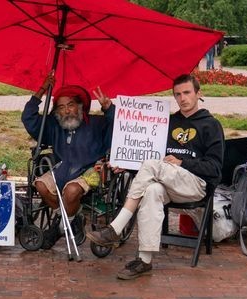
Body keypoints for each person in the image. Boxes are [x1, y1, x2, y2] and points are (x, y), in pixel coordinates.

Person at [89, 74, 223, 279]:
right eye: (177, 94)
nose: (182, 98)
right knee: (152, 190)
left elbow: (215, 168)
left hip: (196, 184)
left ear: (198, 93)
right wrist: (126, 164)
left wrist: (182, 162)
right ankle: (144, 260)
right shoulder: (169, 122)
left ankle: (116, 227)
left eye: (187, 92)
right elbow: (145, 146)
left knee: (152, 164)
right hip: (168, 182)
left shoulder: (211, 125)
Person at [21, 75, 115, 248]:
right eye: (61, 107)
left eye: (70, 105)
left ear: (80, 106)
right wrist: (42, 90)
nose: (66, 111)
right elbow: (29, 118)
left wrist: (108, 109)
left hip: (91, 171)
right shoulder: (54, 125)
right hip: (62, 169)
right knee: (40, 185)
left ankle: (58, 227)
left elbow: (116, 127)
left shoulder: (96, 123)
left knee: (71, 191)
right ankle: (72, 217)